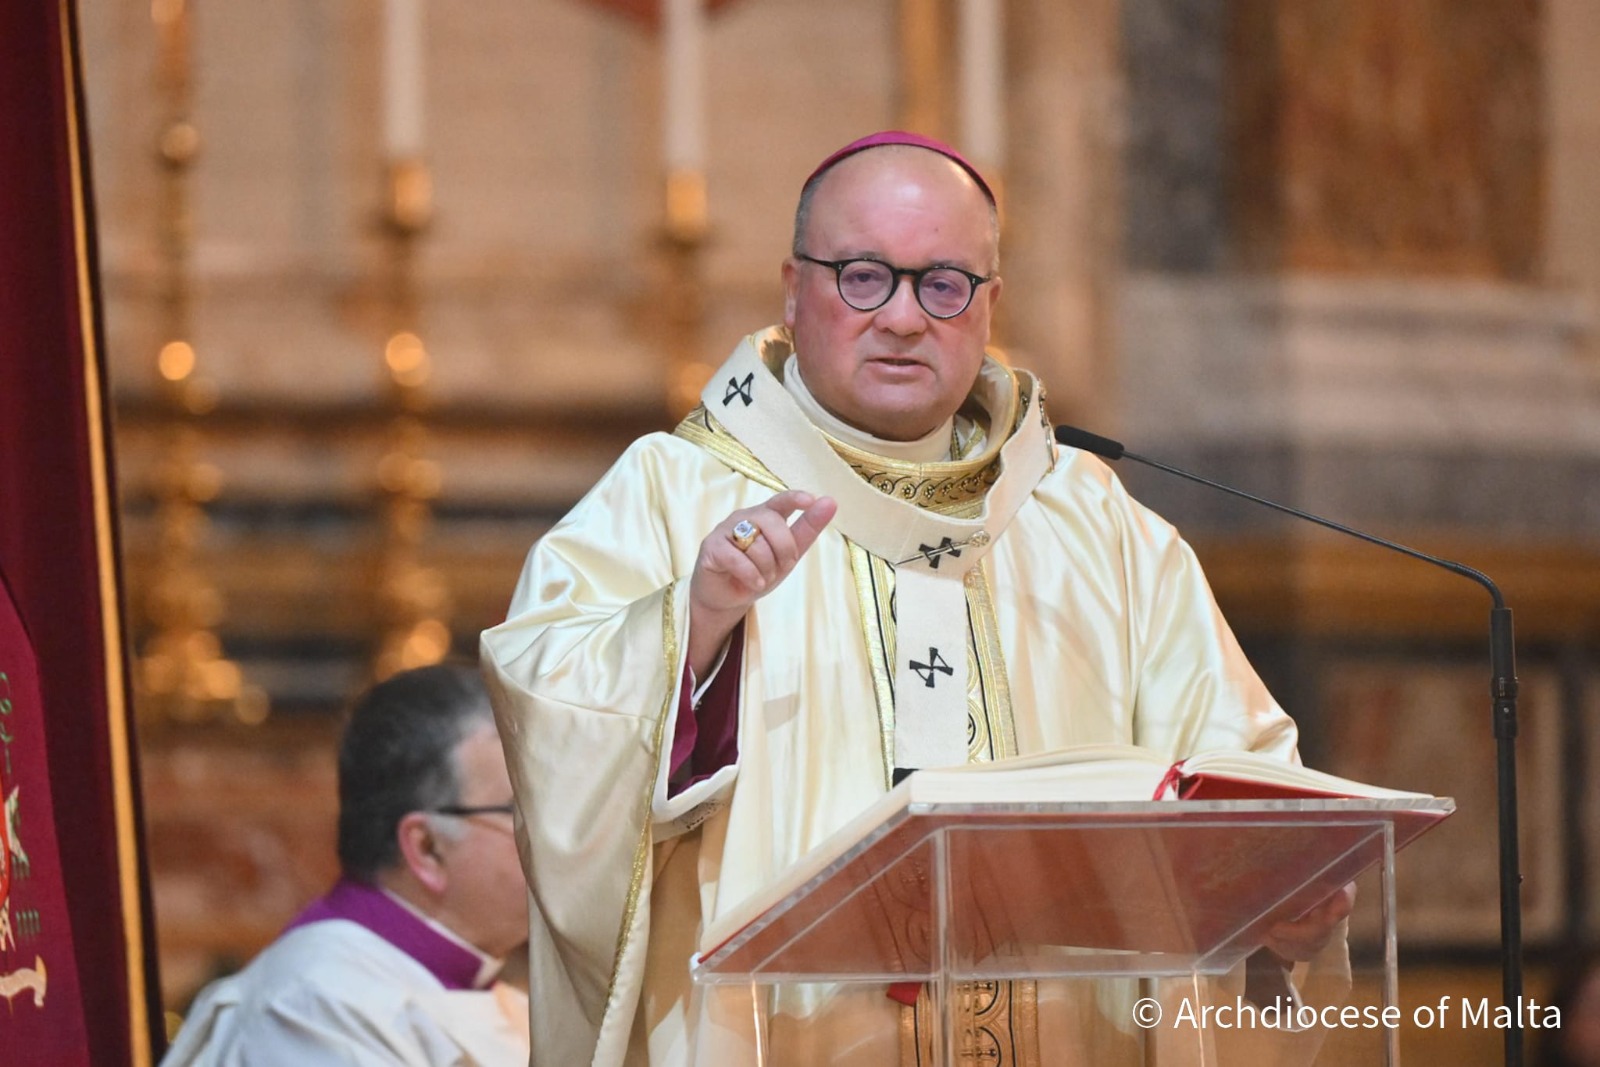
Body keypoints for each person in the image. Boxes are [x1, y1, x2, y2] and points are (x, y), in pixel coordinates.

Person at [481, 131, 1352, 1066]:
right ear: (792, 287)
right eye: (863, 276)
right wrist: (693, 628)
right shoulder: (676, 492)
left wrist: (1284, 900)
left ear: (989, 305)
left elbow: (1241, 775)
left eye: (943, 284)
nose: (902, 318)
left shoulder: (1091, 519)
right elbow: (555, 724)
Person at [162, 663, 531, 1066]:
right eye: (522, 810)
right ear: (427, 848)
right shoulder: (310, 1010)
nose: (555, 839)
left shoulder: (500, 996)